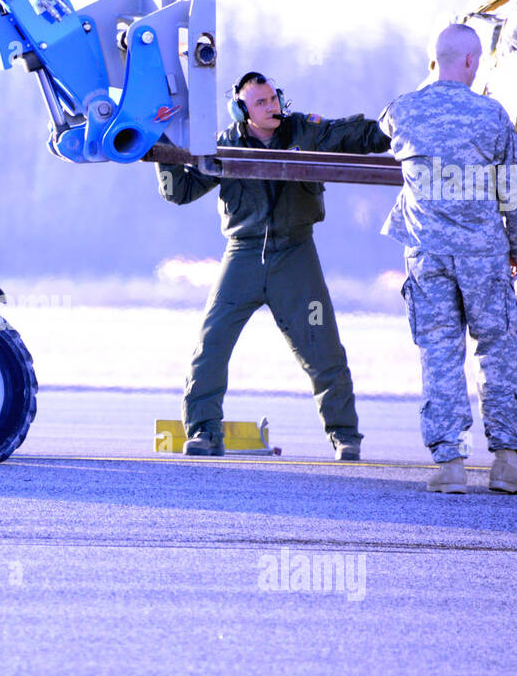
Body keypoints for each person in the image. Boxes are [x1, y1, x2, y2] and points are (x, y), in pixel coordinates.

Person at [156, 71, 390, 459]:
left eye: (273, 99)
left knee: (323, 348)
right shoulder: (223, 144)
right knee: (211, 344)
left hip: (296, 257)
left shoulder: (306, 131)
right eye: (260, 102)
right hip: (243, 255)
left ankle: (345, 436)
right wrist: (160, 143)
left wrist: (395, 127)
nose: (271, 107)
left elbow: (355, 136)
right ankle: (203, 432)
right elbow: (180, 191)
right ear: (241, 110)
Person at [378, 24, 517, 495]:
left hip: (427, 254)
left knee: (440, 353)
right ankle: (506, 462)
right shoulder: (492, 116)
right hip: (484, 256)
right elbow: (514, 189)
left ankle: (449, 465)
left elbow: (385, 138)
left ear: (434, 60)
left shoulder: (402, 111)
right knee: (498, 350)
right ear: (471, 61)